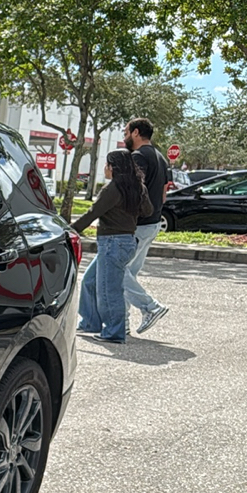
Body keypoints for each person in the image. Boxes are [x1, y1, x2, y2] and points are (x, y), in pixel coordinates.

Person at [73, 150, 152, 344]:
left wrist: (70, 231)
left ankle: (114, 333)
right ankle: (90, 322)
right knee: (90, 282)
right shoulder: (137, 188)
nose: (105, 168)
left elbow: (93, 213)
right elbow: (148, 210)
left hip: (112, 243)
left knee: (109, 290)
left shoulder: (113, 189)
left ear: (114, 167)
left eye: (107, 165)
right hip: (126, 242)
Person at [121, 117, 171, 333]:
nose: (124, 136)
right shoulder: (160, 157)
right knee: (127, 275)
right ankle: (121, 324)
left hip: (138, 225)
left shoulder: (139, 156)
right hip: (153, 223)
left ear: (135, 132)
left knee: (115, 272)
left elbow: (134, 188)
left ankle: (150, 306)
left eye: (126, 132)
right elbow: (164, 193)